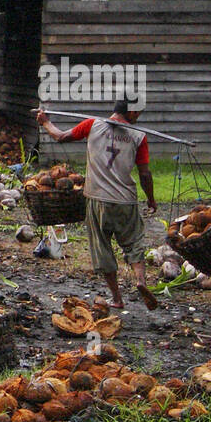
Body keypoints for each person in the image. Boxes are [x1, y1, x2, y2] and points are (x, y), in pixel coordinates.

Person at [36, 101, 158, 310]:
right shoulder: (139, 136)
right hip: (125, 200)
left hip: (97, 198)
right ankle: (140, 281)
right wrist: (151, 199)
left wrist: (45, 122)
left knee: (102, 247)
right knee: (133, 242)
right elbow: (144, 173)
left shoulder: (92, 125)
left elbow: (61, 137)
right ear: (131, 111)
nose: (138, 117)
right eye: (138, 113)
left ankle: (117, 298)